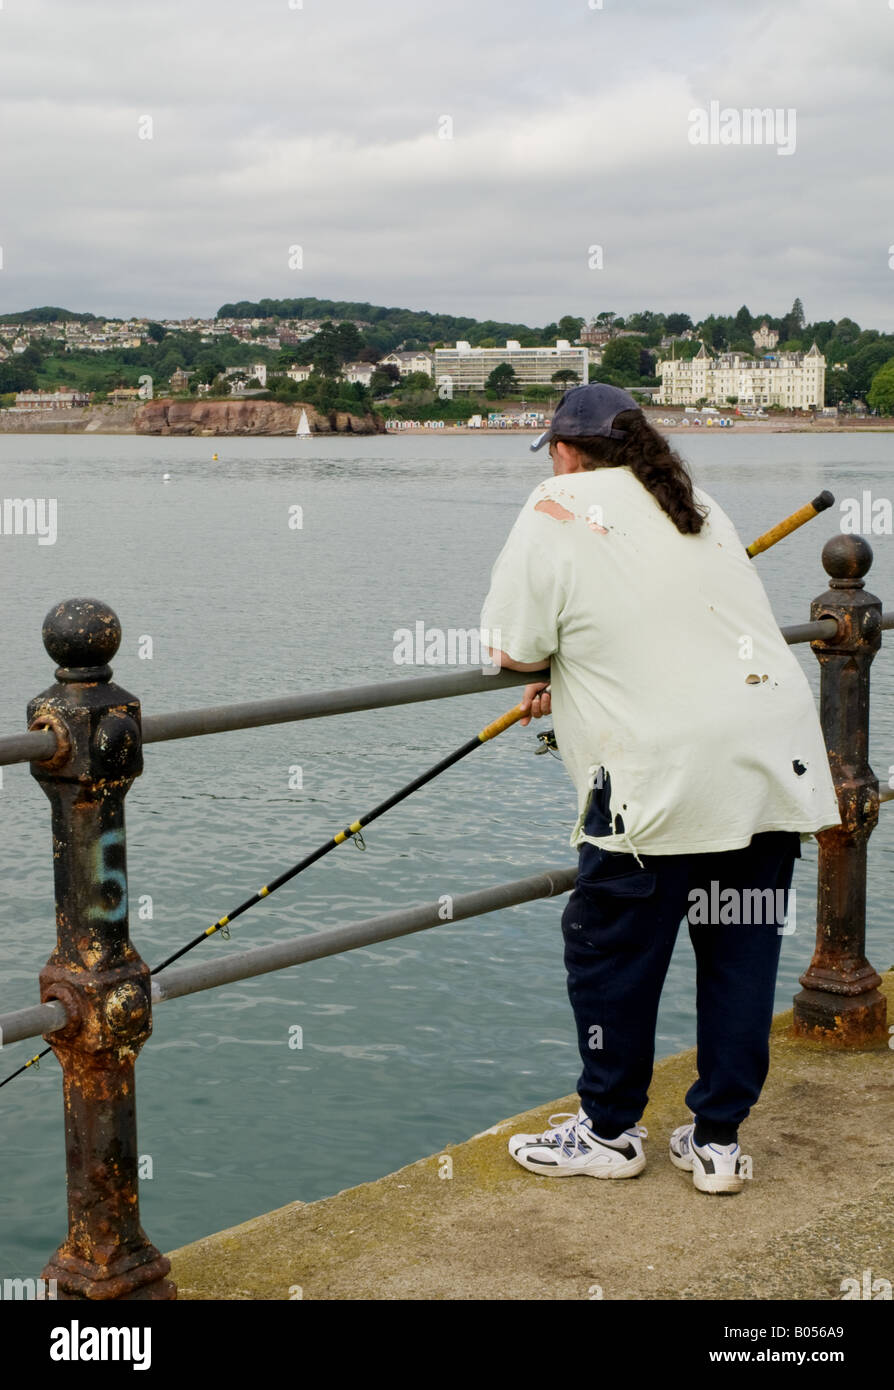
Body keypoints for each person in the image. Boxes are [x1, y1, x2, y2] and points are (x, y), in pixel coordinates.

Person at [479, 383, 840, 1195]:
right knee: (740, 954)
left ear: (566, 451)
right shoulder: (696, 502)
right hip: (766, 762)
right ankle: (717, 1143)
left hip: (657, 777)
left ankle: (608, 1131)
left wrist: (549, 670)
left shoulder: (557, 502)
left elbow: (513, 644)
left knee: (610, 954)